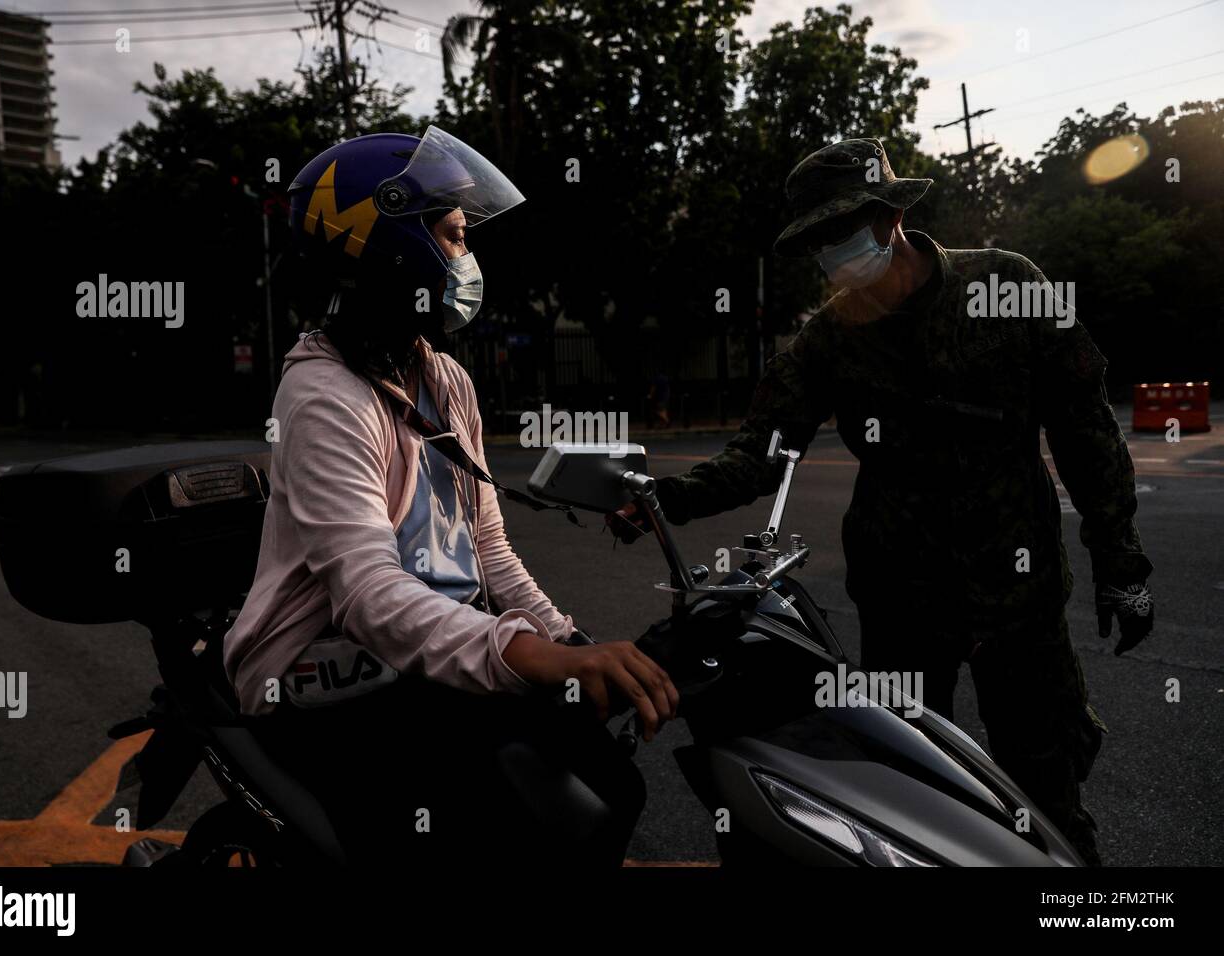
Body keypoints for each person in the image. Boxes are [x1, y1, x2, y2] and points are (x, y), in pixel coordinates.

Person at [609, 138, 1153, 865]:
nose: (833, 252)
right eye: (818, 240)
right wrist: (659, 498)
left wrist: (1121, 563)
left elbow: (1088, 436)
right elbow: (760, 455)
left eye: (843, 229)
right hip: (903, 606)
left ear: (891, 215)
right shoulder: (830, 338)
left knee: (1044, 804)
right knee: (902, 802)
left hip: (1019, 603)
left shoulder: (1006, 286)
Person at [224, 127, 678, 865]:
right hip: (322, 672)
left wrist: (566, 643)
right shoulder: (321, 394)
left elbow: (488, 546)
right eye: (455, 236)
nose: (467, 259)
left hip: (424, 649)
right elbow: (369, 595)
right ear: (392, 245)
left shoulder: (444, 379)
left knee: (603, 781)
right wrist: (527, 655)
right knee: (504, 808)